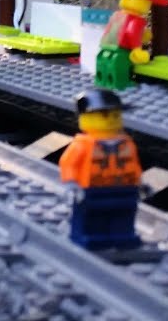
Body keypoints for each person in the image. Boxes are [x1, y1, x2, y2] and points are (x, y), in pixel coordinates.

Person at [59, 89, 143, 249]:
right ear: (84, 118)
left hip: (125, 190)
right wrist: (71, 183)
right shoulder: (82, 144)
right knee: (92, 216)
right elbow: (68, 163)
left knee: (124, 215)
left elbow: (133, 165)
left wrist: (140, 183)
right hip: (92, 190)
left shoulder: (126, 142)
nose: (111, 120)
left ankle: (123, 236)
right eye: (104, 115)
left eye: (116, 115)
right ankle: (90, 237)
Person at [95, 0, 168, 90]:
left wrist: (143, 35)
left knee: (104, 66)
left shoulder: (117, 15)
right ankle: (121, 83)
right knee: (120, 68)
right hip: (122, 51)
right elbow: (131, 32)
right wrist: (136, 49)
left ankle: (102, 80)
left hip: (106, 48)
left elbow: (119, 31)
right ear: (144, 2)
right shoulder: (137, 20)